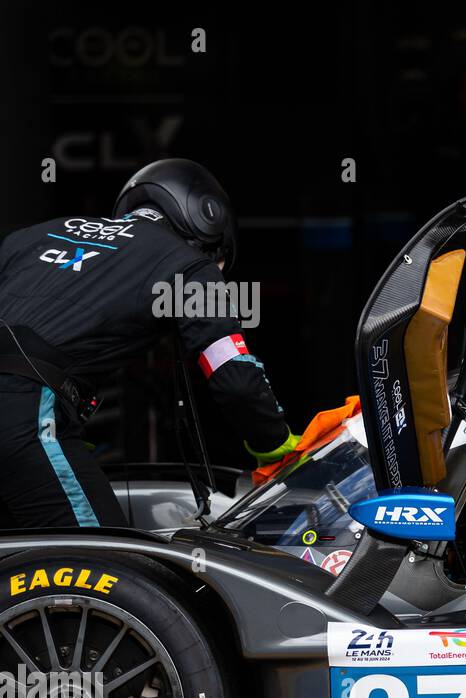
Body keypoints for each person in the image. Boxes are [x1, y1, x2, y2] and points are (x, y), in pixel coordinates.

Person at [0, 158, 298, 528]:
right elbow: (233, 376)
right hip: (24, 414)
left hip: (26, 413)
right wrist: (275, 443)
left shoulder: (32, 236)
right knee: (98, 567)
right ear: (206, 222)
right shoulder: (186, 264)